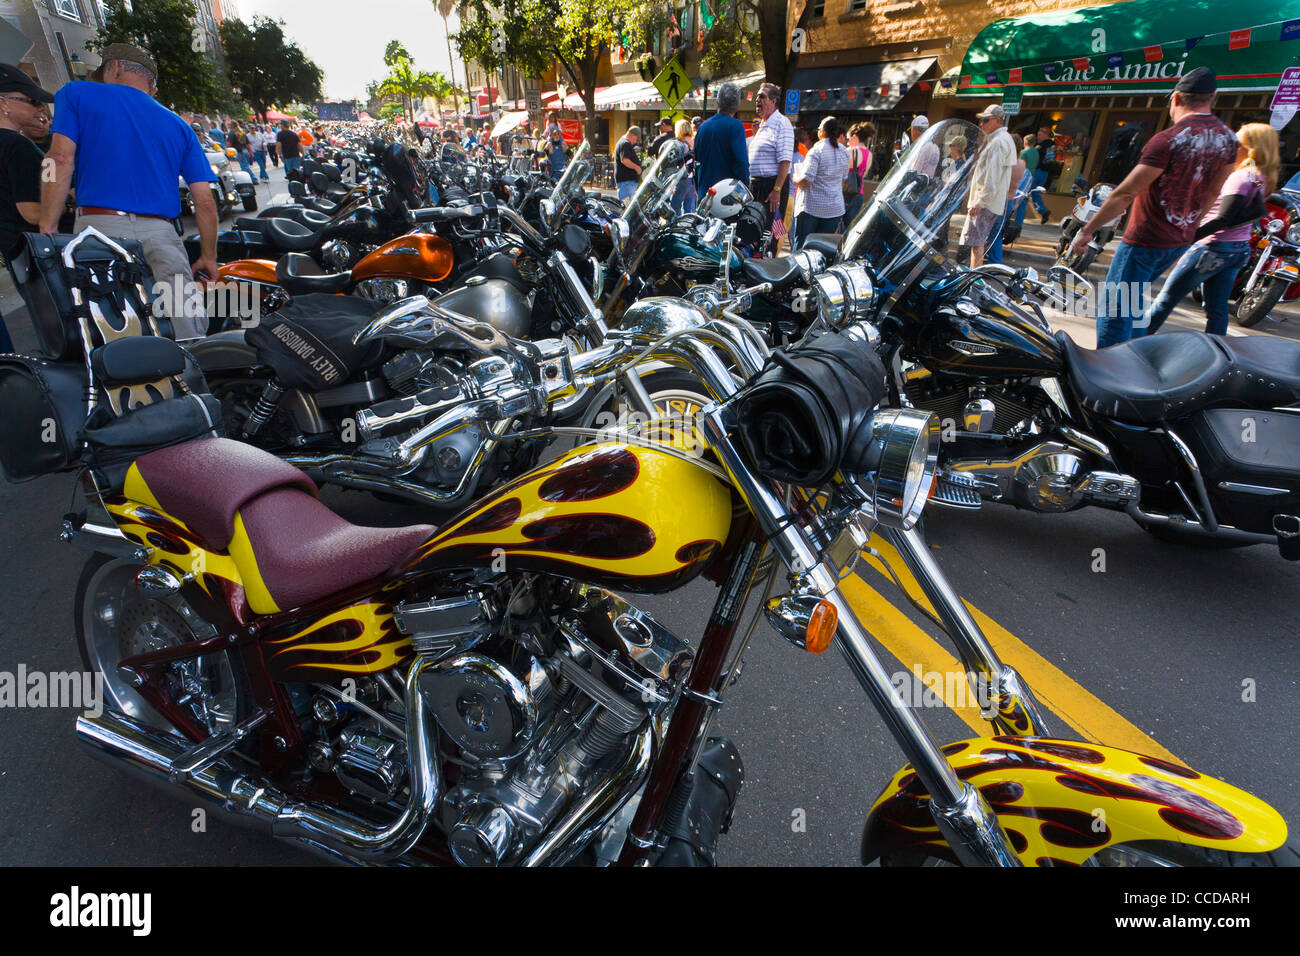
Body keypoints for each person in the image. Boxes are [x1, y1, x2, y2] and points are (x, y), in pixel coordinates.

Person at [38, 44, 217, 340]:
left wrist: (48, 224)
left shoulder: (75, 93)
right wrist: (209, 256)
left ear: (115, 67)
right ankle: (191, 378)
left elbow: (55, 159)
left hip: (100, 229)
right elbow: (205, 200)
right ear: (152, 85)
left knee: (112, 321)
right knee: (183, 321)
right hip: (162, 233)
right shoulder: (180, 125)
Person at [1073, 67, 1239, 347]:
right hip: (1179, 237)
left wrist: (1088, 230)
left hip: (1145, 238)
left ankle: (1110, 378)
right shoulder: (1229, 140)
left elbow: (1125, 193)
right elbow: (1213, 192)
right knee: (1132, 306)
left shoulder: (1168, 139)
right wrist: (1188, 228)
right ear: (1213, 97)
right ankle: (1134, 364)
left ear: (1176, 99)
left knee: (1116, 309)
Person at [1139, 123, 1279, 337]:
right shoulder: (1260, 177)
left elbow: (1223, 218)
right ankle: (1219, 353)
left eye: (1236, 143)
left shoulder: (1240, 177)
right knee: (1216, 309)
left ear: (1250, 147)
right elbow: (1251, 212)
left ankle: (1130, 344)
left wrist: (1186, 238)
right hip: (1237, 249)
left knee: (1165, 300)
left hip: (1212, 248)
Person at [0, 64, 54, 353]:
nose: (39, 108)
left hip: (17, 253)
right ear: (3, 102)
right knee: (64, 331)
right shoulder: (17, 146)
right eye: (31, 100)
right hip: (40, 255)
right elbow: (32, 213)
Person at [961, 104, 1017, 268]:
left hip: (986, 202)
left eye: (985, 120)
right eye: (981, 120)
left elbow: (992, 177)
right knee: (977, 243)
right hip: (991, 201)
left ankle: (974, 280)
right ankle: (974, 278)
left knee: (976, 243)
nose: (981, 124)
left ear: (998, 121)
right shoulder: (1002, 140)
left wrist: (980, 202)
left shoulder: (998, 143)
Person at [791, 115, 851, 249]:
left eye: (819, 128)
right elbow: (843, 180)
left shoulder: (816, 151)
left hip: (811, 207)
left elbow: (806, 180)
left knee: (803, 247)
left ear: (822, 131)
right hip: (834, 208)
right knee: (821, 249)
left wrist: (796, 178)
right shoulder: (845, 153)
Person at [749, 82, 794, 253]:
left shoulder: (782, 123)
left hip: (772, 188)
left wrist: (776, 190)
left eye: (762, 97)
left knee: (772, 233)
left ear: (773, 101)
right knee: (755, 231)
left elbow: (785, 161)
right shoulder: (762, 125)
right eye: (756, 97)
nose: (757, 100)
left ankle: (770, 265)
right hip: (757, 186)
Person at [692, 81, 747, 195]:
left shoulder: (703, 127)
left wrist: (699, 188)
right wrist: (744, 189)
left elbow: (696, 160)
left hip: (705, 192)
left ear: (718, 101)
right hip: (726, 196)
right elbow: (741, 162)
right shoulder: (736, 126)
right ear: (738, 104)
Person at [986, 132, 1026, 265]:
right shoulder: (1021, 163)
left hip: (999, 200)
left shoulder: (1008, 162)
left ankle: (994, 262)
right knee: (996, 233)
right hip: (1010, 201)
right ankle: (994, 261)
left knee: (991, 234)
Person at [842, 121, 873, 230]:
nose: (847, 141)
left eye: (848, 138)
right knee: (849, 228)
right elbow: (863, 174)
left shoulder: (849, 151)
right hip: (858, 194)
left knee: (838, 227)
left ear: (854, 137)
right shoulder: (869, 154)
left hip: (844, 193)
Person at [671, 118, 697, 215]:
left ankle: (676, 228)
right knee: (690, 210)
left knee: (675, 208)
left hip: (682, 178)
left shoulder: (679, 144)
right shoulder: (694, 142)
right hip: (692, 179)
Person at [614, 126, 642, 203]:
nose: (636, 141)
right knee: (627, 206)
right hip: (627, 182)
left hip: (626, 182)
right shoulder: (625, 143)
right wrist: (637, 167)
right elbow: (625, 160)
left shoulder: (623, 142)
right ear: (632, 135)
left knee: (626, 205)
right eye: (636, 139)